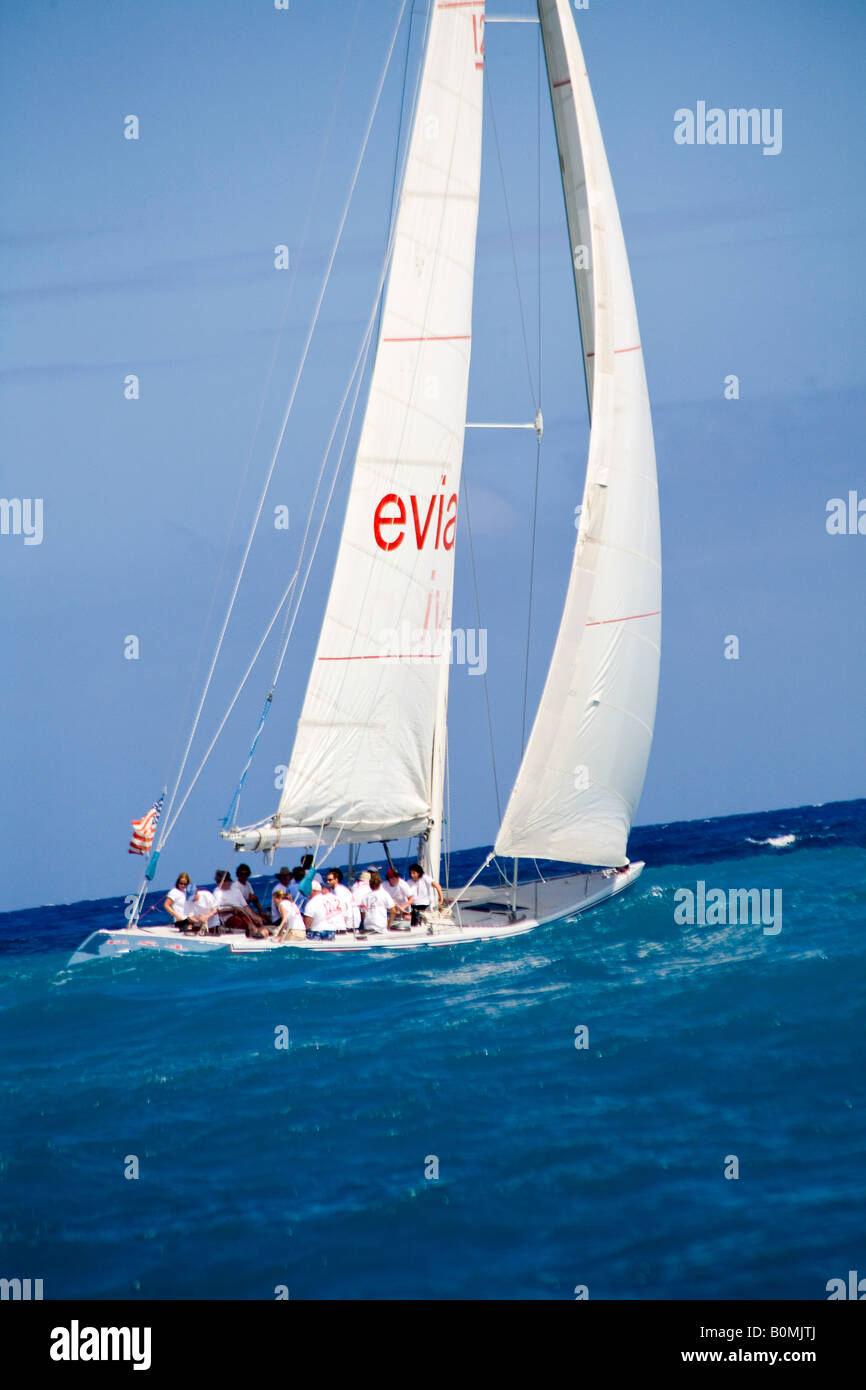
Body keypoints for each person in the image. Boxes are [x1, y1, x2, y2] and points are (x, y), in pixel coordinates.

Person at [214, 870, 267, 935]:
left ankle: (260, 933)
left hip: (242, 914)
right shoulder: (217, 893)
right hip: (228, 918)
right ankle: (253, 933)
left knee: (258, 922)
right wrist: (232, 910)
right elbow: (217, 911)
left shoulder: (236, 891)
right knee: (240, 922)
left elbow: (245, 906)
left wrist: (254, 916)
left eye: (227, 881)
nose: (226, 883)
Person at [303, 876, 343, 940]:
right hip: (335, 931)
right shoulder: (334, 898)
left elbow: (308, 923)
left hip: (319, 932)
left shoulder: (312, 903)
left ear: (313, 891)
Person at [325, 868, 359, 932]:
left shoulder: (339, 891)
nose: (327, 882)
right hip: (353, 920)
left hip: (350, 922)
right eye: (326, 880)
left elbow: (343, 908)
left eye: (330, 880)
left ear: (336, 879)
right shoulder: (341, 888)